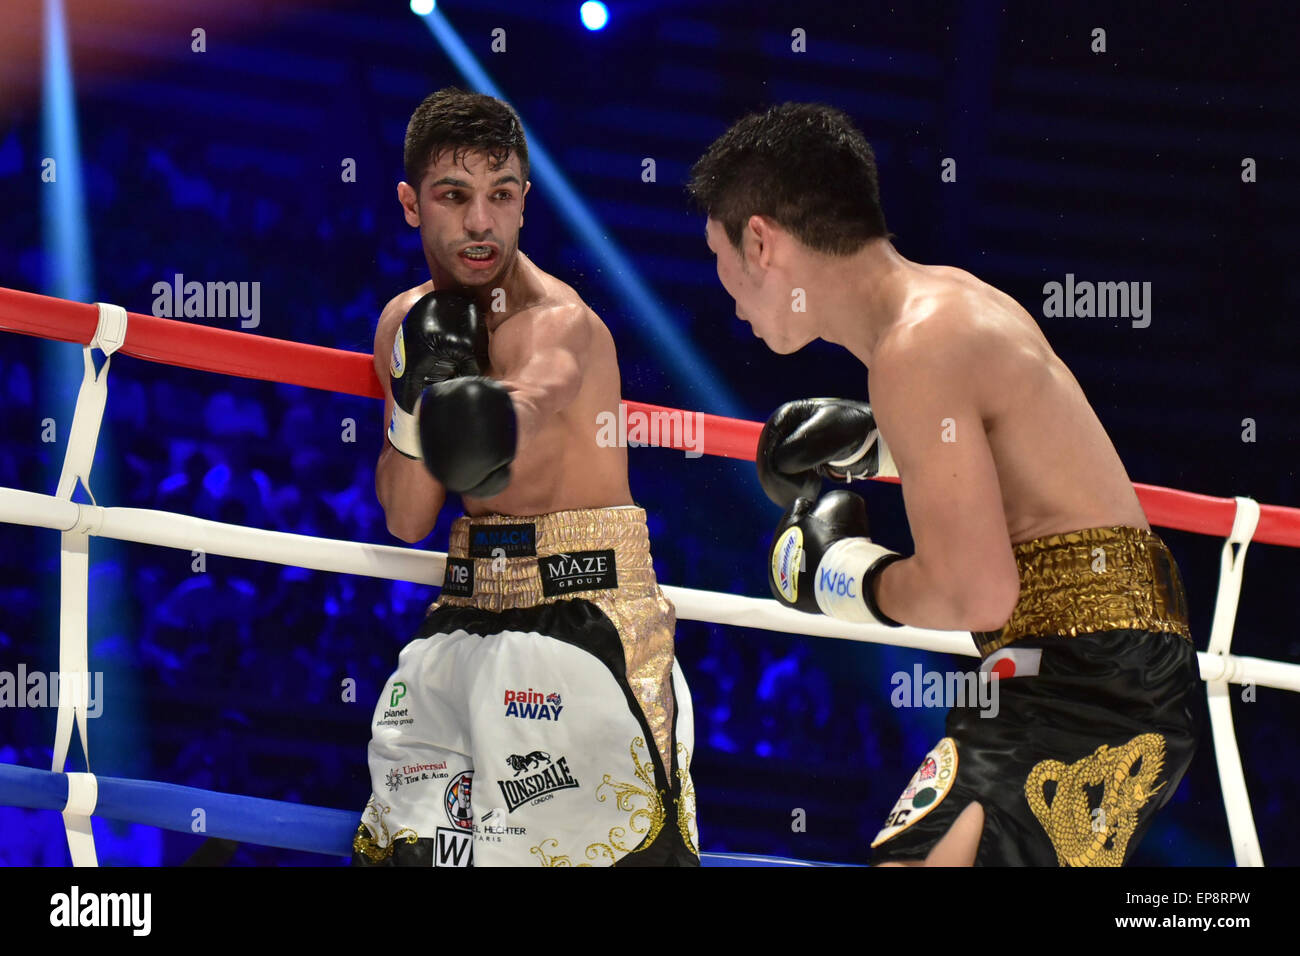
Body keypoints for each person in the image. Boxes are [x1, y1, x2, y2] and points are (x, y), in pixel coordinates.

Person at [689, 102, 1200, 867]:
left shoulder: (917, 347)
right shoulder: (945, 307)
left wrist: (845, 576)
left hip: (1081, 672)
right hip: (1092, 659)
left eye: (721, 261)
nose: (729, 297)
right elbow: (1017, 473)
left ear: (759, 241)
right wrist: (875, 446)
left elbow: (975, 594)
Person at [352, 88, 697, 867]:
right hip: (466, 609)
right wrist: (415, 405)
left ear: (524, 203)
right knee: (408, 856)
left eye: (501, 196)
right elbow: (408, 520)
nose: (480, 222)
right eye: (455, 196)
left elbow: (534, 398)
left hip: (585, 615)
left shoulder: (559, 322)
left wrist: (483, 412)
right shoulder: (405, 323)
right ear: (412, 204)